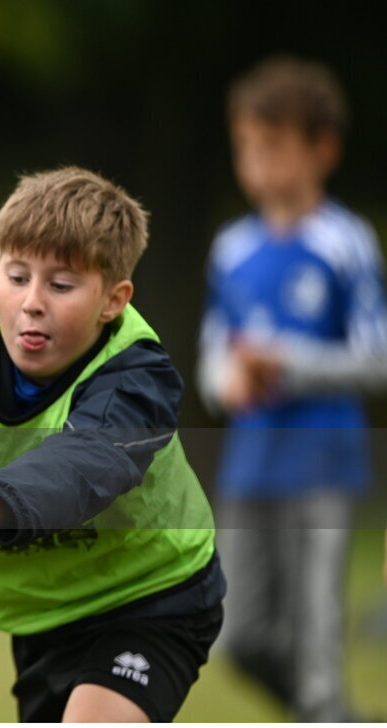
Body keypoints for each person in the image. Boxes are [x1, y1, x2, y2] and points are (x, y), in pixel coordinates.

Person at [0, 166, 225, 722]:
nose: (32, 302)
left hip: (153, 596)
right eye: (17, 276)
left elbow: (85, 463)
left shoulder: (138, 376)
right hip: (45, 616)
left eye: (62, 285)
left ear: (113, 300)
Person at [197, 56, 387, 722]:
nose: (257, 163)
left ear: (322, 149)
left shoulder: (347, 244)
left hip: (322, 465)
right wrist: (231, 378)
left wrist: (287, 363)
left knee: (316, 653)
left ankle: (325, 709)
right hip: (250, 468)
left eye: (274, 146)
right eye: (247, 147)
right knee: (239, 638)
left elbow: (377, 357)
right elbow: (213, 363)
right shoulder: (232, 248)